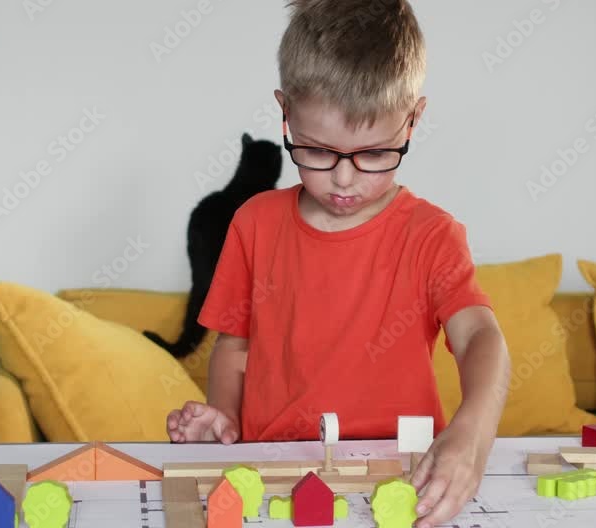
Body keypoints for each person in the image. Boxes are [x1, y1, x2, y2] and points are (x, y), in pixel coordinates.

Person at [166, 1, 511, 525]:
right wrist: (225, 422)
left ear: (413, 120)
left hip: (404, 482)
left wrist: (473, 435)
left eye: (373, 154)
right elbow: (234, 348)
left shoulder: (432, 235)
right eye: (317, 150)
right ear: (285, 113)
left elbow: (481, 337)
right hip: (274, 477)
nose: (343, 180)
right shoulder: (254, 223)